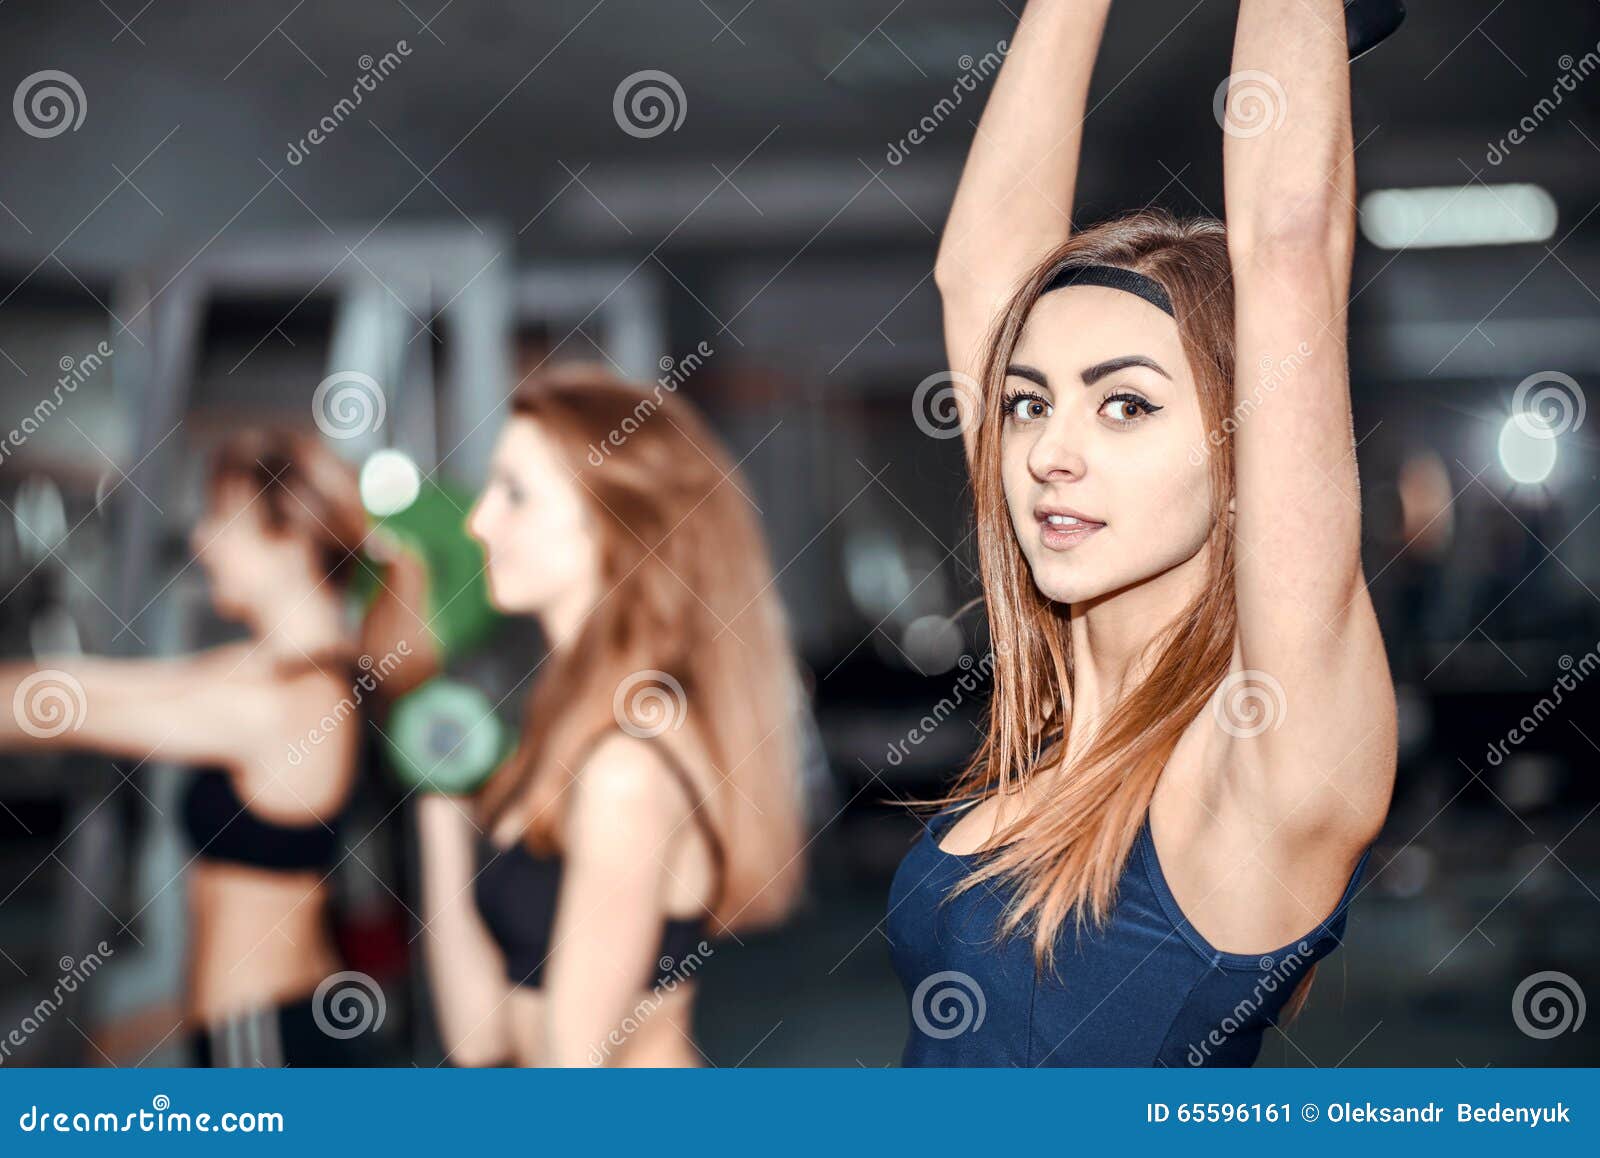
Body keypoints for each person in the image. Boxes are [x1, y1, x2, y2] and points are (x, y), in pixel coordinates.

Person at [888, 0, 1398, 1066]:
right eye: (1028, 403)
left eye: (1125, 406)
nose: (1046, 453)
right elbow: (979, 276)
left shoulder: (1262, 757)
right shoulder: (1068, 735)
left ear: (1239, 450)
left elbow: (1286, 245)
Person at [0, 428, 434, 1065]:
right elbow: (85, 689)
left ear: (287, 541)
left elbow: (70, 705)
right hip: (250, 1034)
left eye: (221, 519)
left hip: (268, 1046)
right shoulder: (271, 672)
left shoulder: (300, 700)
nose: (201, 539)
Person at [417, 363, 807, 1067]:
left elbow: (575, 1063)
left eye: (515, 494)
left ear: (613, 523)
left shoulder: (628, 764)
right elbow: (481, 1039)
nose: (478, 521)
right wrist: (439, 809)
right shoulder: (568, 726)